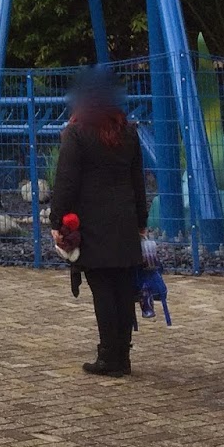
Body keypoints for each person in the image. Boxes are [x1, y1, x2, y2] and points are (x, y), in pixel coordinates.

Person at [50, 68, 149, 378]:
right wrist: (141, 221)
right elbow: (138, 182)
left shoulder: (76, 133)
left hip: (92, 222)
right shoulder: (128, 131)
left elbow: (66, 182)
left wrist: (56, 221)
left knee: (102, 288)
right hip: (125, 219)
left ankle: (108, 356)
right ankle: (123, 354)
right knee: (122, 286)